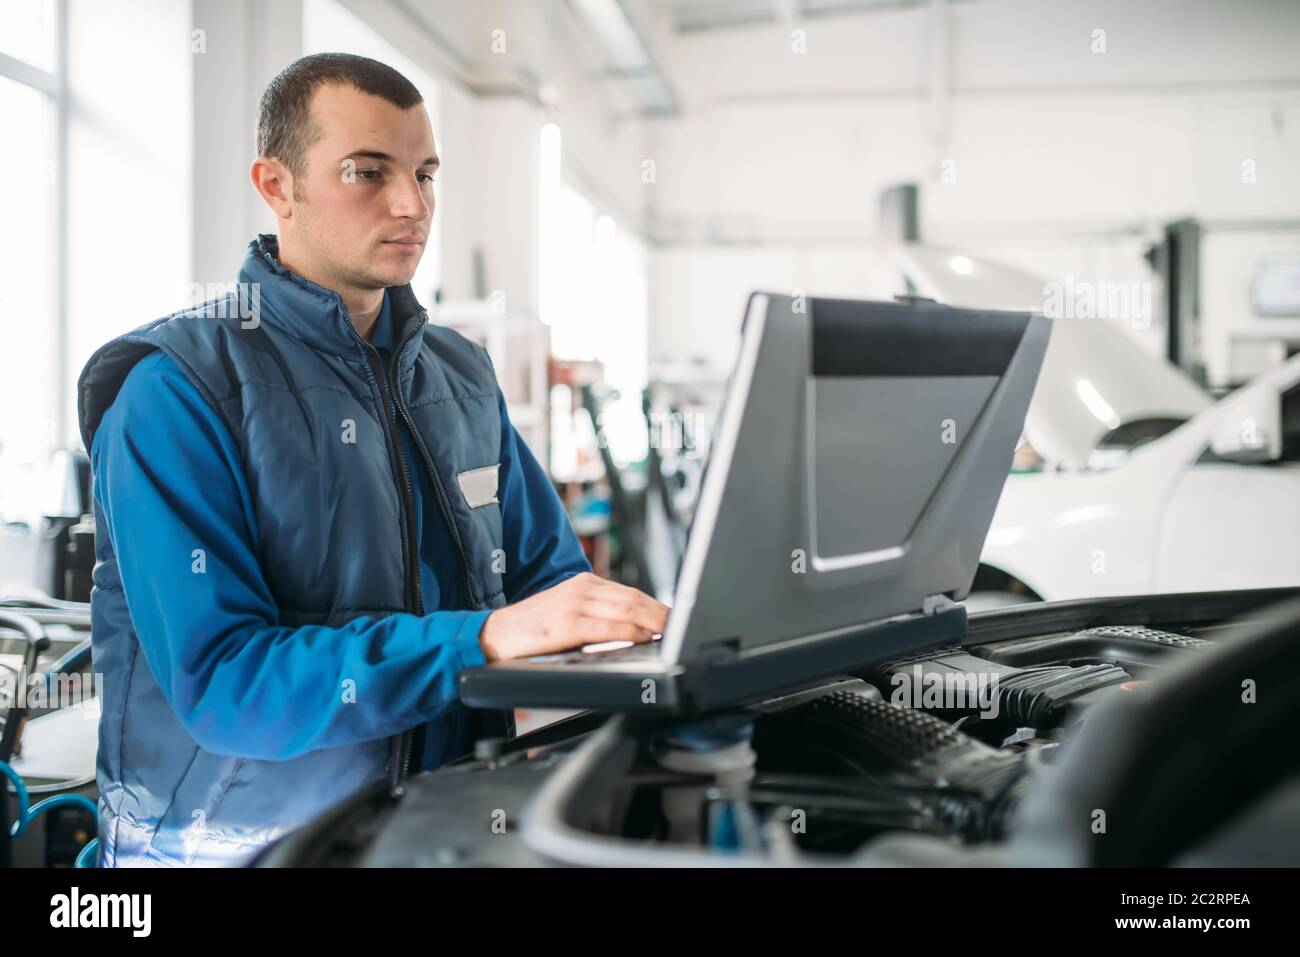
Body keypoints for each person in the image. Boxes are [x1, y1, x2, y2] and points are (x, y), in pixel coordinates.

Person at [77, 52, 668, 867]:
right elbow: (226, 685)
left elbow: (556, 590)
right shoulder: (177, 389)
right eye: (368, 172)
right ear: (276, 185)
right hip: (237, 851)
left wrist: (662, 645)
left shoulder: (460, 377)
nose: (411, 204)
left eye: (426, 173)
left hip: (437, 829)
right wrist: (483, 640)